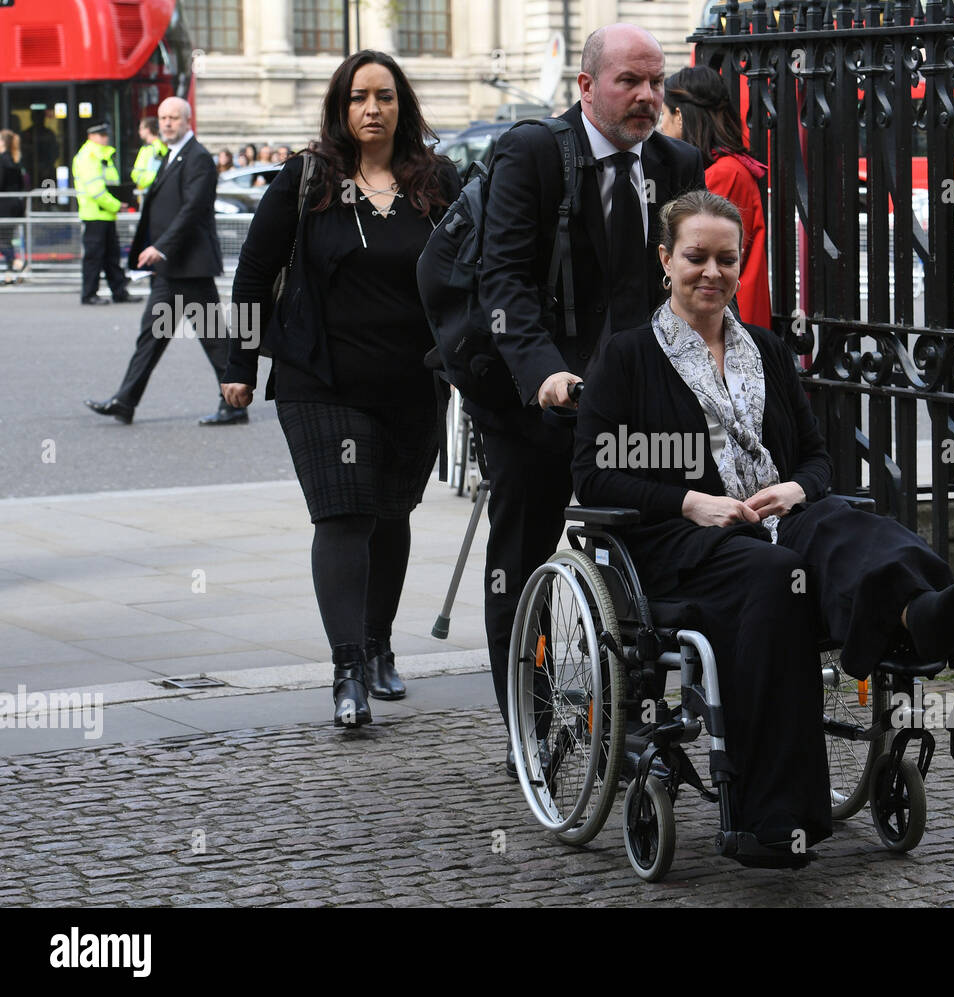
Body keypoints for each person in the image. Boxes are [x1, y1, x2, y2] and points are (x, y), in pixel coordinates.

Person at [572, 190, 954, 863]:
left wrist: (797, 486)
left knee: (849, 526)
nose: (711, 271)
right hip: (686, 542)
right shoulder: (626, 357)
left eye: (726, 259)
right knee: (778, 576)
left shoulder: (763, 351)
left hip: (774, 520)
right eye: (696, 257)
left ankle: (920, 613)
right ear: (665, 259)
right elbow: (593, 474)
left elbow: (817, 456)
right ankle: (773, 816)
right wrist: (689, 501)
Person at [474, 23, 706, 769]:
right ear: (585, 87)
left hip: (633, 401)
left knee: (649, 542)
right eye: (627, 82)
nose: (645, 96)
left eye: (655, 82)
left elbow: (694, 286)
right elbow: (502, 280)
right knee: (523, 549)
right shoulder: (534, 154)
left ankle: (633, 714)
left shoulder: (678, 163)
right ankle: (534, 719)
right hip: (532, 393)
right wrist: (542, 370)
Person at [221, 51, 460, 728]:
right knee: (344, 515)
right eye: (359, 97)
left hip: (415, 381)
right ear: (340, 107)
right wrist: (237, 366)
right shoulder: (308, 179)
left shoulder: (436, 181)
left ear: (402, 106)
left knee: (391, 512)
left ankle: (381, 645)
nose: (373, 109)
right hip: (320, 380)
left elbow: (473, 269)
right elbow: (252, 274)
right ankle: (347, 669)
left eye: (384, 96)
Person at [84, 98, 235, 425]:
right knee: (150, 338)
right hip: (171, 269)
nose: (167, 123)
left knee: (214, 340)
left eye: (173, 118)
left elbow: (192, 210)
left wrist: (161, 247)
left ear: (187, 120)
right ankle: (125, 402)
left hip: (191, 267)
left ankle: (235, 404)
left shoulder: (198, 158)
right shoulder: (170, 155)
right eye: (163, 118)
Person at [661, 65, 771, 327]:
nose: (661, 126)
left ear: (679, 115)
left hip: (724, 316)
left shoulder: (725, 173)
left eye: (662, 114)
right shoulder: (727, 167)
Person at [71, 122, 132, 305]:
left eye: (106, 135)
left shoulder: (102, 156)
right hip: (95, 214)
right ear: (92, 136)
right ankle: (89, 294)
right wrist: (116, 205)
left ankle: (119, 292)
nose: (105, 138)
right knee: (94, 258)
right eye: (102, 135)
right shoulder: (89, 156)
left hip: (105, 214)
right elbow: (96, 190)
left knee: (111, 257)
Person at [0, 129, 27, 281]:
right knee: (6, 239)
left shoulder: (3, 160)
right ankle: (9, 275)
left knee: (2, 240)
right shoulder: (15, 159)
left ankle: (17, 263)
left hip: (4, 205)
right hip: (15, 204)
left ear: (3, 142)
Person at [131, 116, 167, 196]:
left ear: (147, 130)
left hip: (148, 193)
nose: (139, 132)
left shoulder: (151, 149)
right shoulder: (162, 147)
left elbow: (154, 174)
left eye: (141, 128)